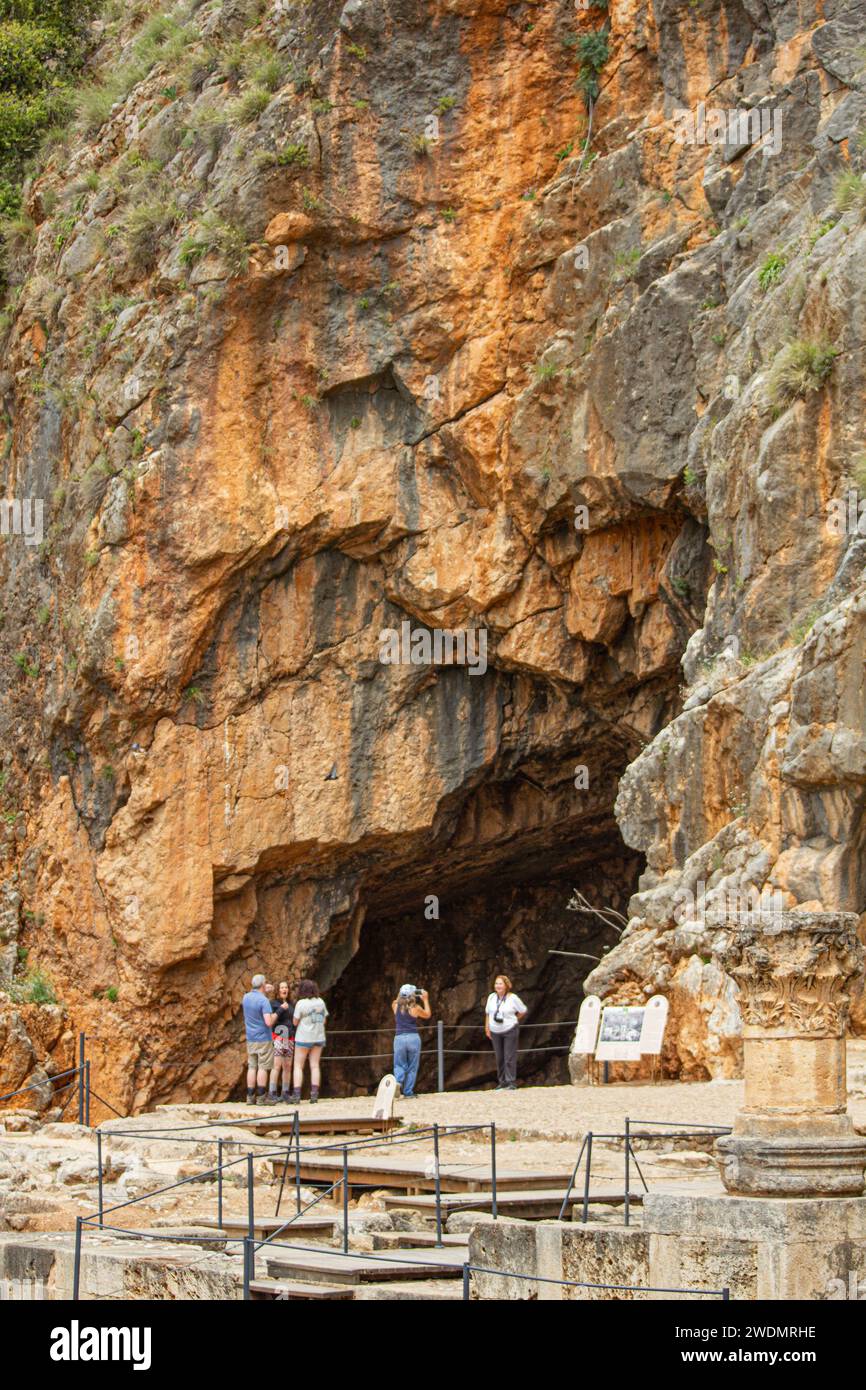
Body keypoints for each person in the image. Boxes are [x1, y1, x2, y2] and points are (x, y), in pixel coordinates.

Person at [484, 974, 527, 1091]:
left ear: (506, 985)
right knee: (499, 1057)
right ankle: (502, 1082)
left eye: (500, 983)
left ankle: (510, 1081)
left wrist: (515, 1019)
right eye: (496, 983)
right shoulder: (491, 997)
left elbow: (523, 1010)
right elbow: (488, 1013)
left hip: (509, 1030)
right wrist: (487, 1027)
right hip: (495, 1031)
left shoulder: (513, 998)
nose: (498, 986)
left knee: (509, 1056)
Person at [289, 980, 328, 1103]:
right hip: (318, 1037)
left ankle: (296, 1095)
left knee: (298, 1066)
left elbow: (295, 1022)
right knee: (315, 1066)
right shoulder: (320, 1002)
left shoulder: (301, 1003)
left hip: (303, 1038)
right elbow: (324, 1020)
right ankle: (314, 1095)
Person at [391, 984, 431, 1099]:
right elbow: (428, 1014)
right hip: (413, 1037)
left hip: (399, 1038)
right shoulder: (415, 1008)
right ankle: (408, 1092)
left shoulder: (395, 1005)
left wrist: (400, 994)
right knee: (412, 1066)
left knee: (399, 1063)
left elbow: (398, 1000)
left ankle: (398, 1082)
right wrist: (426, 999)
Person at [242, 973, 277, 1105]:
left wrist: (264, 990)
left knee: (252, 1067)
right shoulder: (264, 1001)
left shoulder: (245, 997)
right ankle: (261, 1097)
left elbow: (256, 997)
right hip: (263, 1038)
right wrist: (276, 1014)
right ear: (263, 985)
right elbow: (268, 1022)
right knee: (262, 1067)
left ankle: (250, 1097)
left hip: (251, 1038)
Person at [267, 980, 295, 1104]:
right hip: (278, 1036)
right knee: (277, 1065)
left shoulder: (292, 1004)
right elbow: (271, 1021)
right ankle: (272, 1093)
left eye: (286, 987)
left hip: (289, 1037)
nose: (284, 989)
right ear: (278, 990)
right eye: (282, 987)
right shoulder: (273, 1004)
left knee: (288, 1066)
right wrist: (281, 1009)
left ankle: (285, 1093)